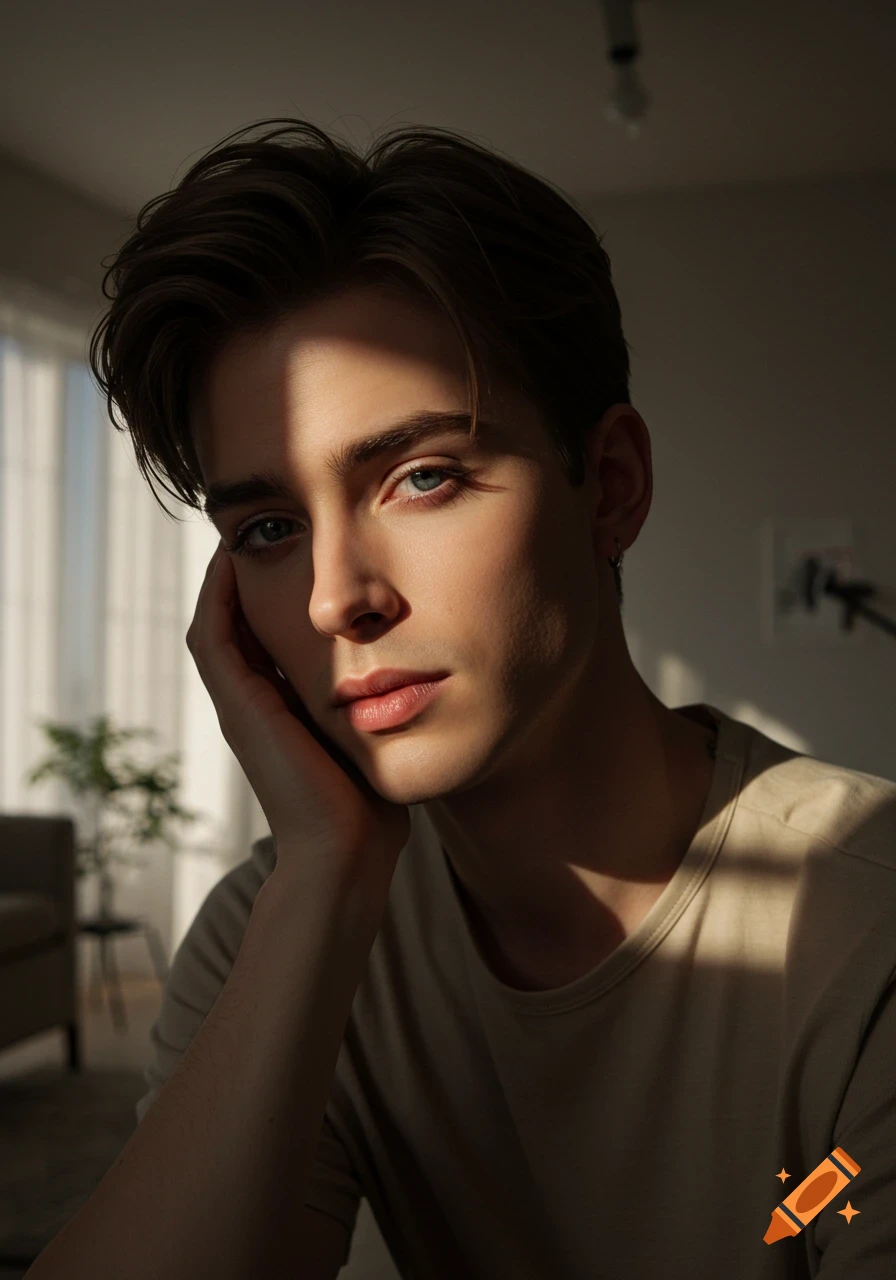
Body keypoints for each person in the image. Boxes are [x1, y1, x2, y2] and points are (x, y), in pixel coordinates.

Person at [33, 119, 896, 1279]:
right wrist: (322, 887)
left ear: (612, 487)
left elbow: (822, 1216)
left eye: (422, 475)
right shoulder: (279, 926)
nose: (339, 597)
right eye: (270, 528)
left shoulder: (863, 926)